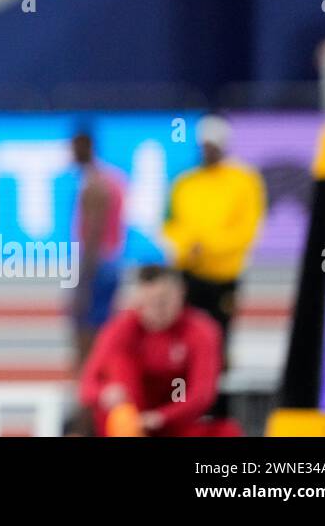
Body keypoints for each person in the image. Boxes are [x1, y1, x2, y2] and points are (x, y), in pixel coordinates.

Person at [161, 115, 265, 388]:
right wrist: (187, 248)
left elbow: (247, 229)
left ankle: (217, 401)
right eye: (204, 145)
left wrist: (206, 247)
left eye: (213, 146)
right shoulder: (185, 182)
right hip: (190, 273)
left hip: (224, 274)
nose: (208, 151)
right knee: (184, 337)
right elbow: (170, 225)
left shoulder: (243, 181)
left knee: (219, 337)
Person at [79, 266, 241, 437]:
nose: (156, 309)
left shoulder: (200, 330)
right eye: (147, 302)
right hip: (131, 419)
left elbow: (202, 393)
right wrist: (104, 393)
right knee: (120, 364)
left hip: (178, 420)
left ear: (180, 294)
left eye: (163, 301)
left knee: (226, 431)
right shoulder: (122, 328)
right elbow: (87, 385)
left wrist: (162, 417)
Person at [68, 130, 126, 373]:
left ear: (85, 147)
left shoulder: (94, 184)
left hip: (96, 264)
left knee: (85, 325)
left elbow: (94, 233)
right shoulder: (111, 178)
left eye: (74, 148)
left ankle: (88, 387)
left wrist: (82, 281)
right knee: (103, 326)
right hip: (110, 261)